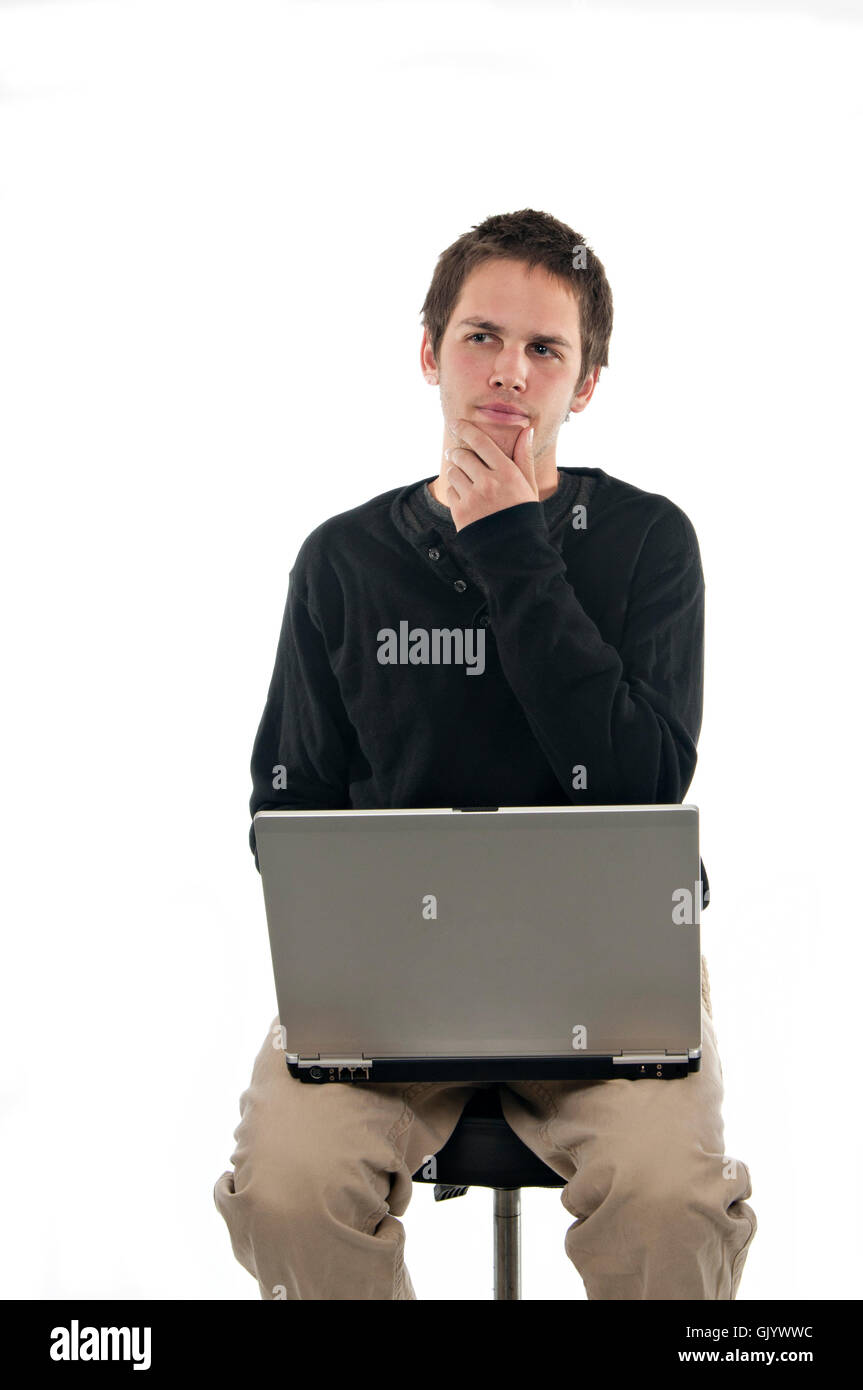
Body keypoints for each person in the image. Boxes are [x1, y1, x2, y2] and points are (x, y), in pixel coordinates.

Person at [213, 208, 757, 1300]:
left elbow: (640, 784)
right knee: (287, 1179)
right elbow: (292, 809)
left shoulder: (649, 544)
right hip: (386, 982)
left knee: (667, 1194)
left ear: (585, 383)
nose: (508, 372)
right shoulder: (342, 560)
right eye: (479, 337)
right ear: (429, 353)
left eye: (544, 349)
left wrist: (509, 546)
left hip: (607, 979)